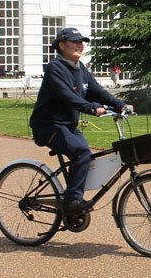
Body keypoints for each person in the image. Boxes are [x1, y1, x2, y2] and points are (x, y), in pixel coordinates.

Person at [29, 27, 133, 215]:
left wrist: (120, 105)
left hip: (68, 125)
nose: (80, 45)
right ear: (61, 45)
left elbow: (97, 91)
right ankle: (73, 202)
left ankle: (72, 196)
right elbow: (67, 96)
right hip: (47, 125)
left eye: (81, 42)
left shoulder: (81, 69)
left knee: (87, 157)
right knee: (81, 153)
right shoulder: (55, 68)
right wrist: (90, 107)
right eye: (75, 41)